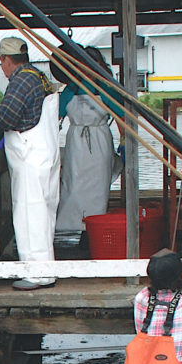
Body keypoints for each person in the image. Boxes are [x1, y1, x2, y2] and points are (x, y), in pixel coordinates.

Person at [0, 36, 60, 289]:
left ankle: (36, 274)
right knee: (43, 213)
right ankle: (45, 270)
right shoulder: (38, 76)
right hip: (44, 153)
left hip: (31, 157)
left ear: (7, 59)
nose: (2, 67)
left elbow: (5, 118)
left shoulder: (21, 80)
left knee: (30, 214)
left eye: (1, 62)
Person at [55, 48, 121, 238]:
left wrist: (124, 144)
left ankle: (94, 228)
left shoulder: (106, 88)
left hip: (99, 140)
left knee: (97, 188)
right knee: (73, 184)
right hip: (76, 141)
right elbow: (56, 117)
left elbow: (122, 117)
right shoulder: (71, 89)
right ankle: (70, 227)